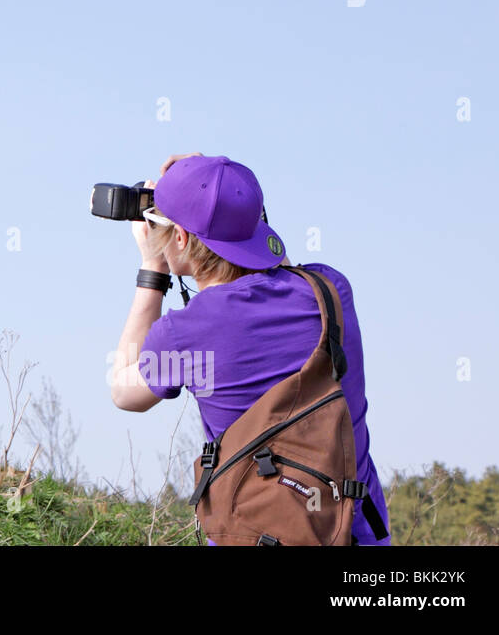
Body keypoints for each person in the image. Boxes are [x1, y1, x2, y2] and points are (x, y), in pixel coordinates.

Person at [109, 153, 391, 545]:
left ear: (179, 238)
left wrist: (152, 269)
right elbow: (284, 267)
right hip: (354, 534)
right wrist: (228, 198)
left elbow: (124, 392)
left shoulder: (186, 331)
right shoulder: (331, 291)